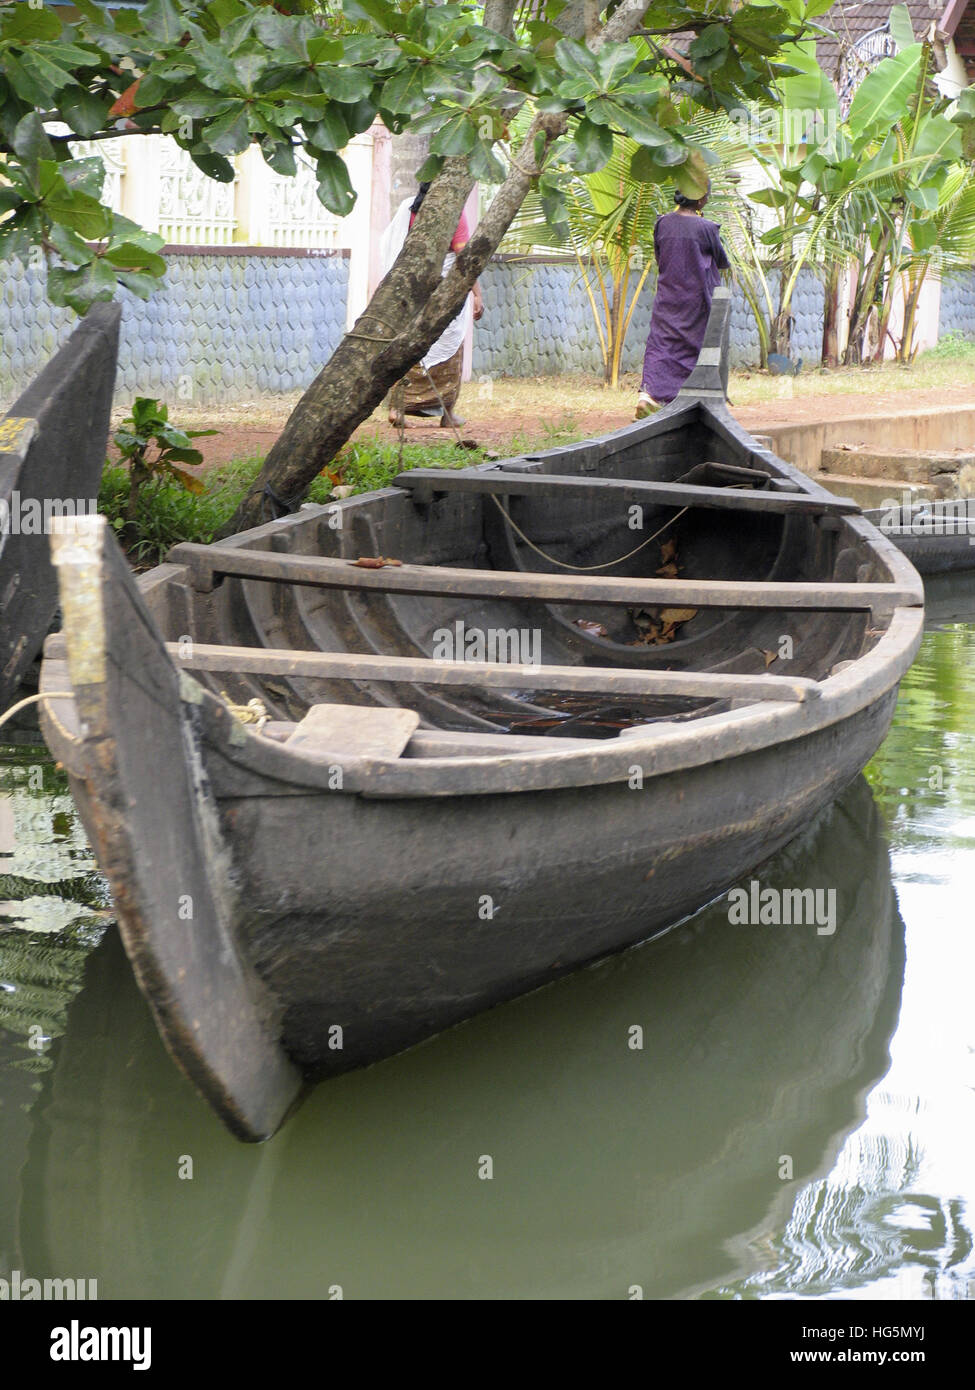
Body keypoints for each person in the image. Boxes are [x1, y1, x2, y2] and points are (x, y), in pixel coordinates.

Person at [382, 183, 484, 429]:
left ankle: (398, 409)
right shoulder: (453, 211)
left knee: (406, 346)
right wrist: (477, 294)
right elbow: (463, 256)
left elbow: (390, 243)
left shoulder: (409, 208)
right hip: (444, 290)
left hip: (409, 289)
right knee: (450, 346)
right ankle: (447, 414)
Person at [636, 185, 730, 419]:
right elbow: (721, 260)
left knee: (661, 344)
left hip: (668, 296)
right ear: (699, 200)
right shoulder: (707, 228)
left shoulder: (663, 223)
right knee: (695, 348)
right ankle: (686, 398)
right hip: (697, 300)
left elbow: (660, 257)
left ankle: (649, 395)